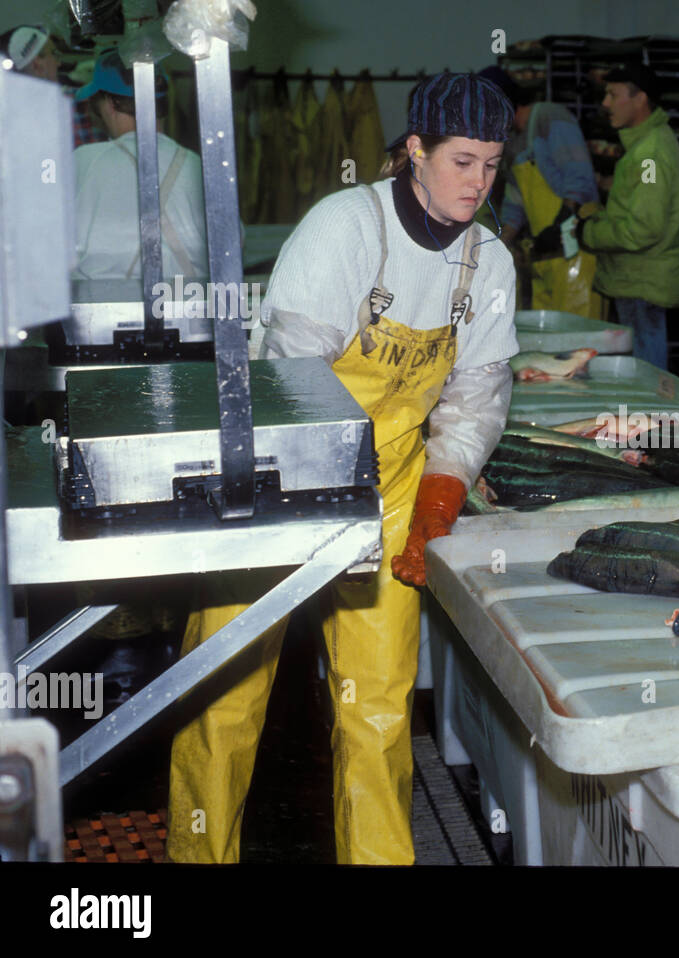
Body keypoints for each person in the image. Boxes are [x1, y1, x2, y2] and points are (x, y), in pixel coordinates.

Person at [167, 72, 519, 865]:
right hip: (273, 478)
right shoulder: (344, 229)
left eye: (493, 165)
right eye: (463, 161)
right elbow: (290, 380)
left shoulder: (487, 264)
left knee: (380, 707)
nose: (479, 183)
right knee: (223, 694)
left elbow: (475, 396)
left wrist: (439, 492)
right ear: (415, 150)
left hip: (393, 484)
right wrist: (320, 505)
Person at [576, 64, 679, 368]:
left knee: (646, 378)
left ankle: (651, 418)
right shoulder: (645, 149)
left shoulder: (650, 155)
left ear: (640, 100)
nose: (605, 103)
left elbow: (643, 229)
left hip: (642, 283)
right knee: (641, 373)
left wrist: (588, 233)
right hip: (638, 280)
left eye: (613, 95)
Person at [71, 48, 208, 280]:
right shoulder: (197, 165)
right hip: (191, 308)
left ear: (109, 104)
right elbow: (234, 241)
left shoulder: (85, 161)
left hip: (100, 309)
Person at [485, 67, 603, 320]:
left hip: (575, 256)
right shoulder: (514, 144)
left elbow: (579, 175)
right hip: (544, 255)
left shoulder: (549, 117)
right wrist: (497, 245)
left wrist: (562, 223)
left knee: (577, 344)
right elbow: (515, 203)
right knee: (548, 345)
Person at [1, 24, 105, 146]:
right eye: (54, 54)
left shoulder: (6, 118)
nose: (59, 63)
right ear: (37, 65)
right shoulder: (81, 104)